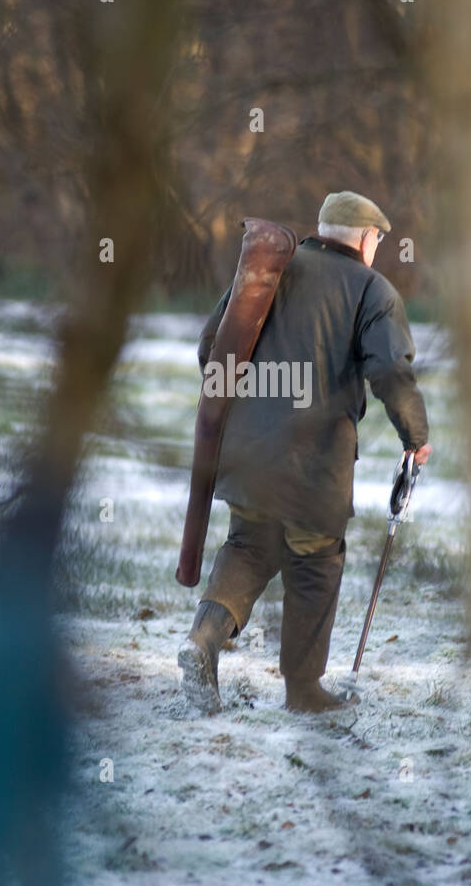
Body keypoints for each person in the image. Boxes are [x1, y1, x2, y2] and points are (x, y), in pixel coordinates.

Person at [178, 190, 432, 714]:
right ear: (366, 238)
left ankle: (203, 639)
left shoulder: (269, 268)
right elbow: (389, 369)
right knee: (316, 562)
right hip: (315, 462)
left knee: (249, 547)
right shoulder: (372, 291)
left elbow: (212, 347)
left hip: (247, 452)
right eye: (377, 240)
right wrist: (415, 435)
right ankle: (303, 690)